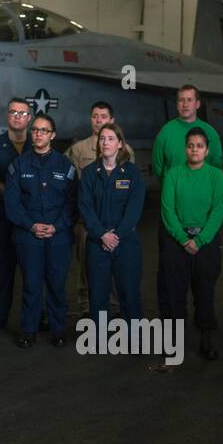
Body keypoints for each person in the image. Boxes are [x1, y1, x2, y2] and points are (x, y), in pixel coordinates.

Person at [6, 113, 79, 347]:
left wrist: (56, 226)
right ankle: (28, 329)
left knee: (57, 284)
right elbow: (12, 203)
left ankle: (58, 329)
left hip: (59, 237)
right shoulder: (18, 165)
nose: (39, 134)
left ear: (53, 135)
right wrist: (31, 225)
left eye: (44, 130)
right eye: (35, 130)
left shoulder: (65, 166)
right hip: (28, 236)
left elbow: (72, 203)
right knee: (32, 284)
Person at [153, 86, 223, 318]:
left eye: (189, 100)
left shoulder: (210, 132)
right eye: (181, 100)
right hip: (173, 216)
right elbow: (158, 167)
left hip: (203, 225)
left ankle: (205, 331)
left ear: (197, 104)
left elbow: (215, 165)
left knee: (204, 284)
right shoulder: (166, 132)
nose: (185, 104)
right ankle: (171, 329)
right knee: (170, 279)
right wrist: (175, 189)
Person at [160, 127, 223, 360]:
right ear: (185, 149)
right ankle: (174, 341)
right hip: (176, 241)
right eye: (190, 145)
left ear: (207, 150)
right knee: (175, 294)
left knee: (204, 293)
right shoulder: (173, 174)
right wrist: (183, 238)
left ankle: (206, 339)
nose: (194, 149)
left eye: (199, 146)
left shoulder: (216, 175)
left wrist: (199, 240)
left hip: (205, 243)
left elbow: (219, 210)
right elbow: (168, 210)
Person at [67, 101, 135, 319]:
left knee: (117, 270)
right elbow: (71, 187)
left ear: (111, 120)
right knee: (85, 270)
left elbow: (128, 188)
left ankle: (113, 307)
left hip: (115, 226)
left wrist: (117, 230)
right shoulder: (78, 150)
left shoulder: (127, 151)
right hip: (86, 222)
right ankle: (87, 307)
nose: (98, 120)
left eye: (103, 116)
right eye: (95, 116)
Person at [79, 121, 145, 322]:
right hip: (97, 243)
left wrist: (115, 236)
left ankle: (134, 337)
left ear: (120, 144)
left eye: (110, 139)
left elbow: (134, 210)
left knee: (129, 293)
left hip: (125, 242)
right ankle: (99, 337)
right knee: (98, 293)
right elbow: (85, 207)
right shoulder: (90, 173)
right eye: (102, 138)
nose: (105, 142)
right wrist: (101, 235)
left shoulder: (132, 174)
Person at [0, 97, 32, 331]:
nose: (17, 117)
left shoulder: (38, 142)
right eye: (13, 112)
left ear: (29, 118)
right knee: (2, 270)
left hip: (32, 222)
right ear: (7, 116)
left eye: (22, 113)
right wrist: (19, 194)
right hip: (3, 220)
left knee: (33, 274)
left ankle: (34, 317)